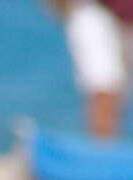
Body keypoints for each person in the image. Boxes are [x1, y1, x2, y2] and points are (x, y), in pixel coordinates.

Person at [52, 0, 133, 137]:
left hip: (120, 17)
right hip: (96, 11)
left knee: (116, 88)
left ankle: (105, 148)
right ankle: (102, 150)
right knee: (106, 85)